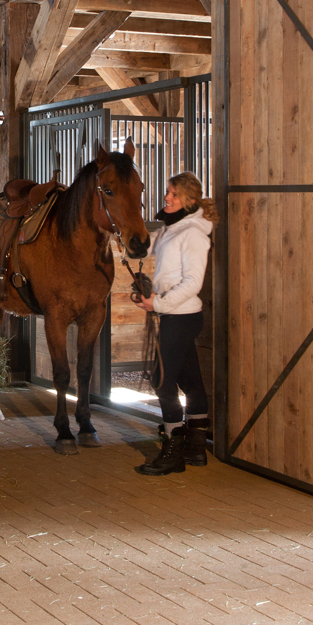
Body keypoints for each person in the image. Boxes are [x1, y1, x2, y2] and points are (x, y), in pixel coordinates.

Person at [132, 171, 218, 476]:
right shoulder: (172, 229)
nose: (167, 197)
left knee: (161, 379)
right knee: (190, 379)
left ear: (190, 201)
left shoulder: (193, 234)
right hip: (174, 315)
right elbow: (143, 247)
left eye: (174, 194)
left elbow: (193, 283)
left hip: (181, 316)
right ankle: (196, 447)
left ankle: (173, 449)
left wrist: (158, 303)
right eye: (168, 192)